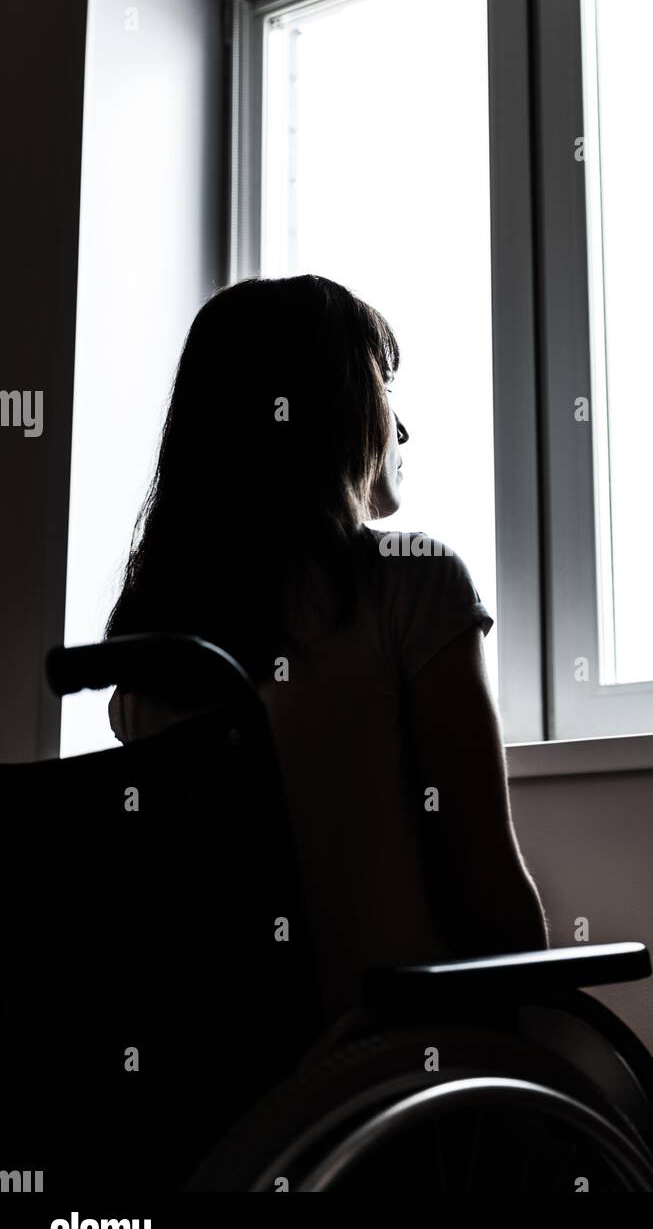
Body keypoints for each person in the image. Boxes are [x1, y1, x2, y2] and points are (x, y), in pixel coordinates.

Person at [107, 275, 549, 1018]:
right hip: (392, 1084)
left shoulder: (145, 651)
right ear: (335, 405)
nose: (401, 430)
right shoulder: (415, 581)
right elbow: (488, 893)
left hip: (230, 1101)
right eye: (385, 385)